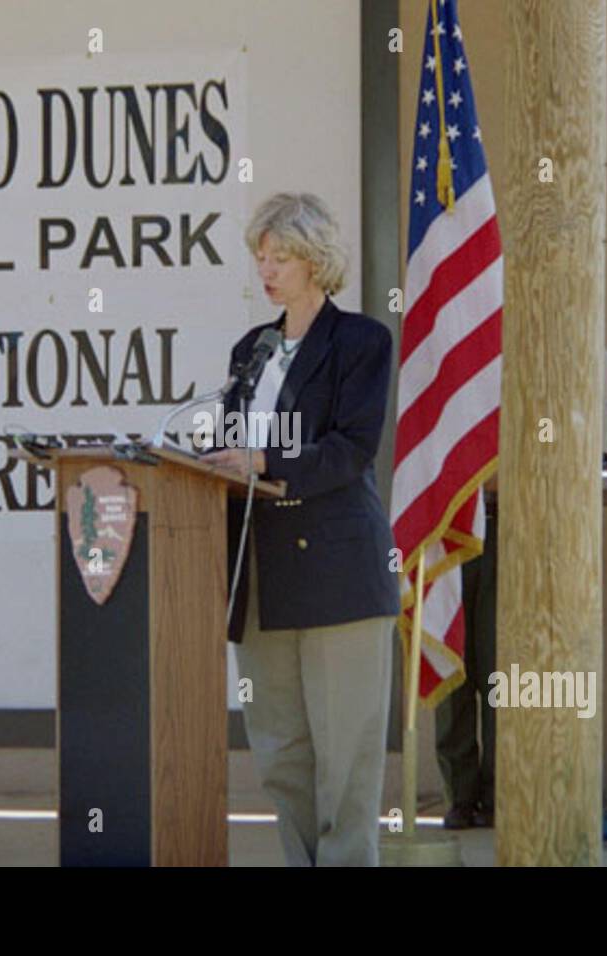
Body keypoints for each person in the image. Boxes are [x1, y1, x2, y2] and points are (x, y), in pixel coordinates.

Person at [203, 192, 399, 866]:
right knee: (281, 756)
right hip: (259, 575)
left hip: (339, 575)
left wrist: (262, 459)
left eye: (280, 256)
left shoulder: (361, 342)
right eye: (260, 257)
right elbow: (232, 449)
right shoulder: (250, 349)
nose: (266, 270)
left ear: (315, 259)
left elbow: (351, 449)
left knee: (344, 761)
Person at [434, 474, 498, 829]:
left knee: (499, 671)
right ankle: (460, 794)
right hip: (450, 528)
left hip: (506, 527)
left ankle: (498, 791)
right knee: (450, 666)